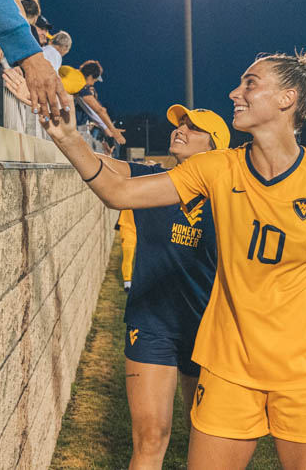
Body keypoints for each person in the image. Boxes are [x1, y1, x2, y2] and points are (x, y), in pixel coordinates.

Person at [41, 48, 306, 469]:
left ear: (286, 99)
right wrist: (69, 138)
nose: (235, 92)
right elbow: (119, 193)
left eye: (250, 84)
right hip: (227, 372)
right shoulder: (218, 168)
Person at [96, 105, 230, 470]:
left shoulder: (230, 200)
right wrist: (60, 131)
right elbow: (101, 168)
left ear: (215, 148)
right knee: (152, 438)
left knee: (205, 437)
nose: (180, 130)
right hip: (152, 325)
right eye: (180, 124)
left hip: (208, 329)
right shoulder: (148, 179)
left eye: (194, 127)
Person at [75, 60, 126, 148]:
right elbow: (97, 110)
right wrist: (111, 130)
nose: (93, 84)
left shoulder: (73, 76)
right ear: (90, 76)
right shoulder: (79, 83)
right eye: (94, 80)